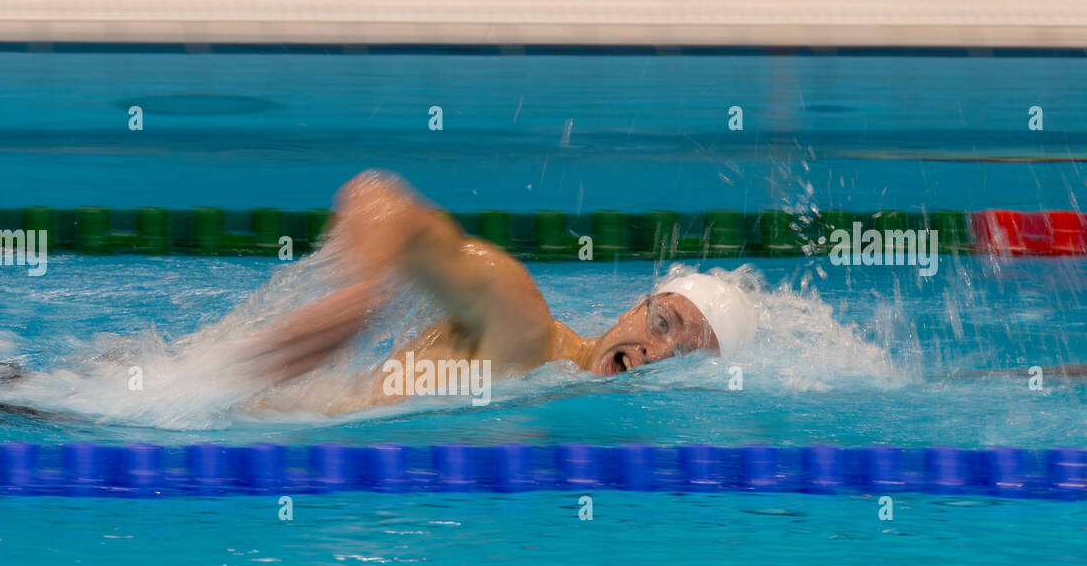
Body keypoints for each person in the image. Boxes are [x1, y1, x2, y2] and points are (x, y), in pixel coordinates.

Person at [246, 170, 757, 401]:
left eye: (682, 356)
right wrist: (361, 294)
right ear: (631, 308)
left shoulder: (558, 398)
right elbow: (380, 199)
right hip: (246, 421)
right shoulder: (523, 322)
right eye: (662, 323)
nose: (654, 353)